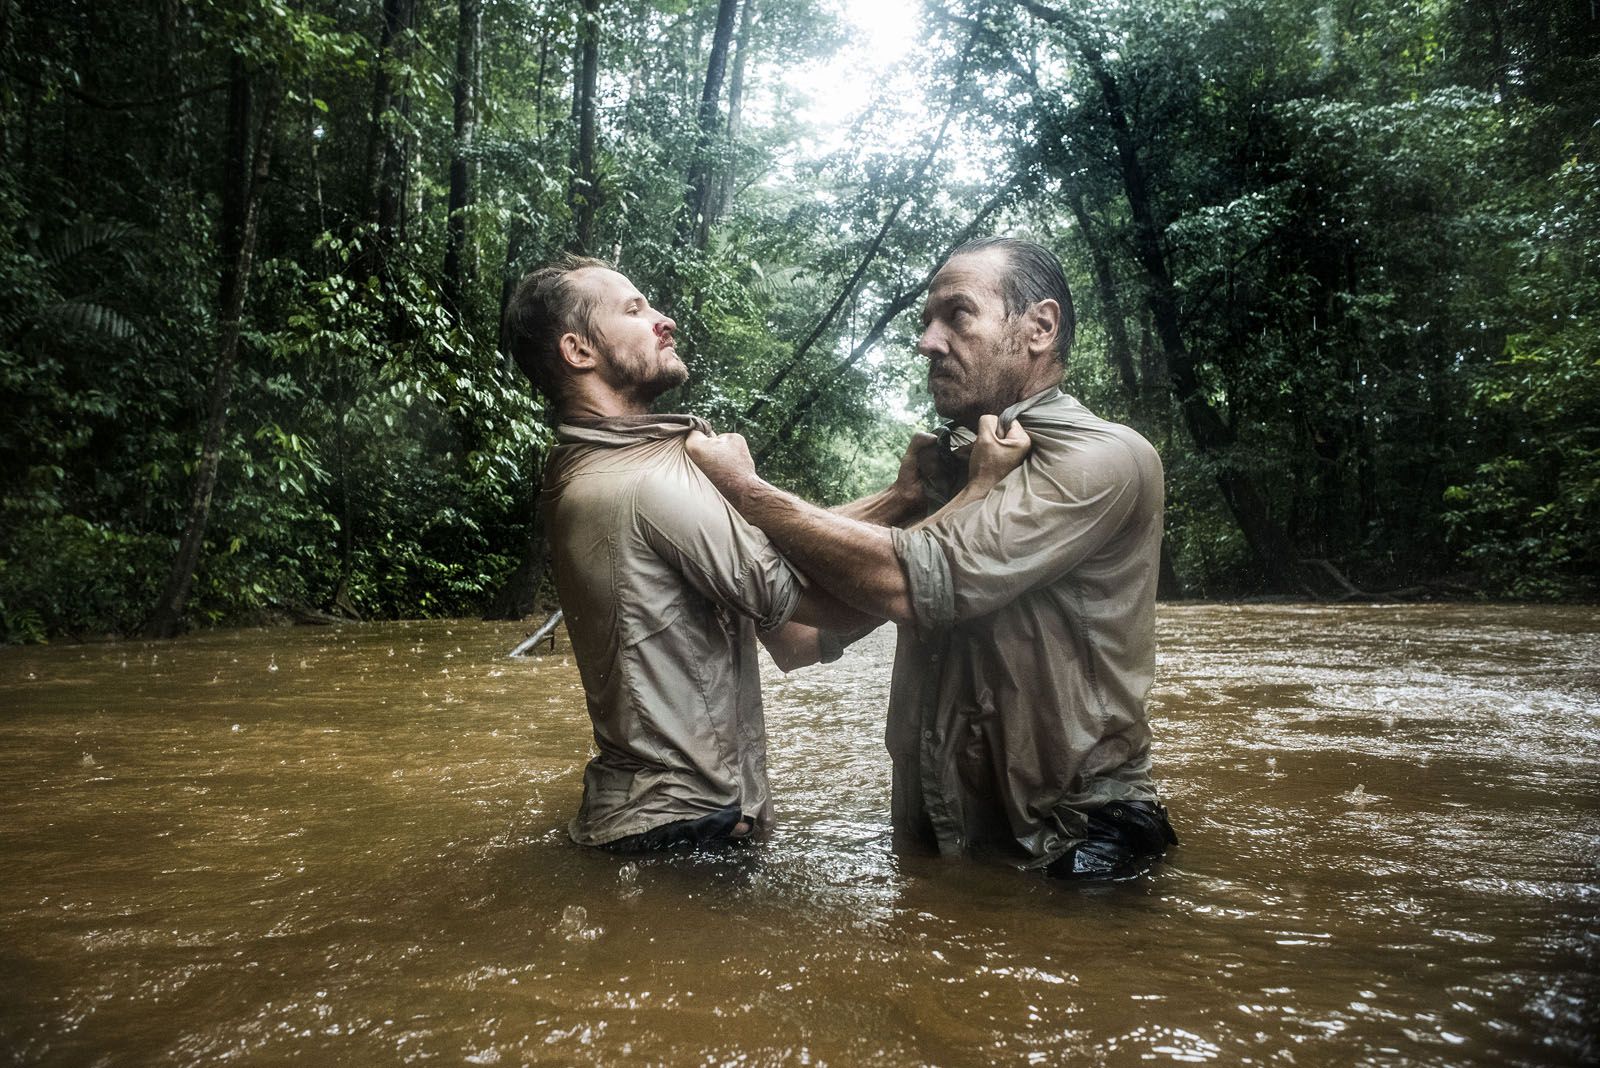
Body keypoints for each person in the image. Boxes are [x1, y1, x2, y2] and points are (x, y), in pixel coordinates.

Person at [686, 237, 1178, 879]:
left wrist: (747, 492)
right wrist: (903, 496)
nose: (928, 341)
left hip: (1073, 844)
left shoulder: (1104, 459)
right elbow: (799, 637)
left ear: (1040, 327)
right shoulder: (959, 465)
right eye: (925, 321)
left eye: (957, 314)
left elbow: (912, 578)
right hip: (945, 841)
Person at [500, 255, 1027, 853]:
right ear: (578, 352)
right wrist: (978, 495)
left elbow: (789, 619)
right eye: (634, 309)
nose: (663, 319)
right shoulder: (648, 486)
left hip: (653, 825)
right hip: (684, 834)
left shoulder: (597, 468)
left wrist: (900, 499)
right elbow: (833, 605)